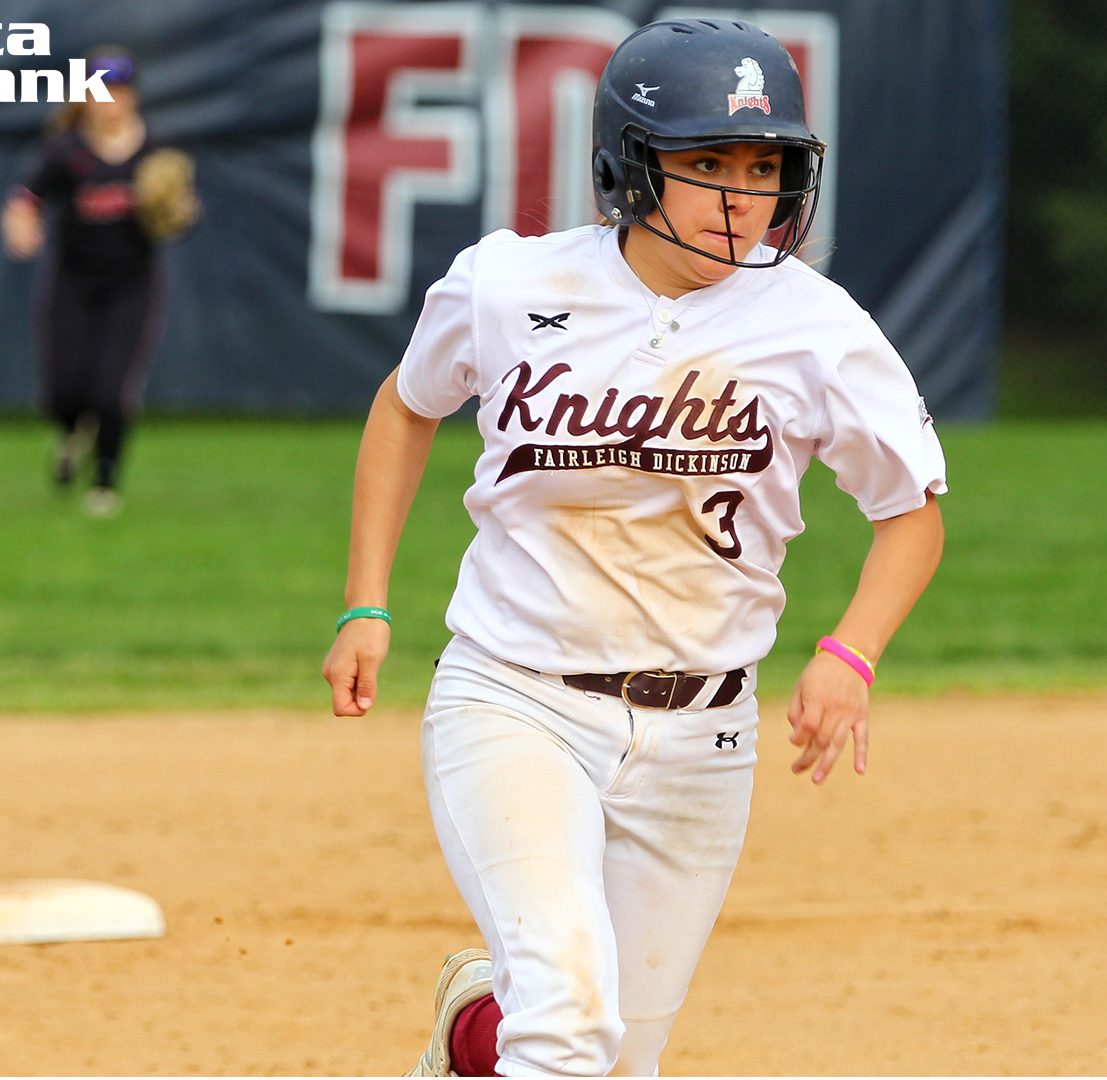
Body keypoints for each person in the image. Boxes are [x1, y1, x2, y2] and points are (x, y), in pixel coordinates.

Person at [320, 19, 947, 1077]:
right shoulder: (510, 286)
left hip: (706, 736)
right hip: (516, 696)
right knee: (567, 1019)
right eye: (706, 163)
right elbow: (404, 407)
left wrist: (851, 654)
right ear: (627, 165)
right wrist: (365, 602)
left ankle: (476, 1030)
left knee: (608, 1058)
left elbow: (912, 513)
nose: (741, 194)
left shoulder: (821, 328)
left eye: (764, 164)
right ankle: (517, 1021)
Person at [1, 47, 196, 516]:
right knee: (65, 390)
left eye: (119, 90)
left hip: (133, 283)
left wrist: (176, 210)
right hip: (73, 280)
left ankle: (105, 485)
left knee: (112, 390)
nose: (110, 100)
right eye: (100, 90)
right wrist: (21, 224)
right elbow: (25, 197)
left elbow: (183, 212)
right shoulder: (68, 149)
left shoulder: (155, 149)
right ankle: (70, 435)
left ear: (133, 96)